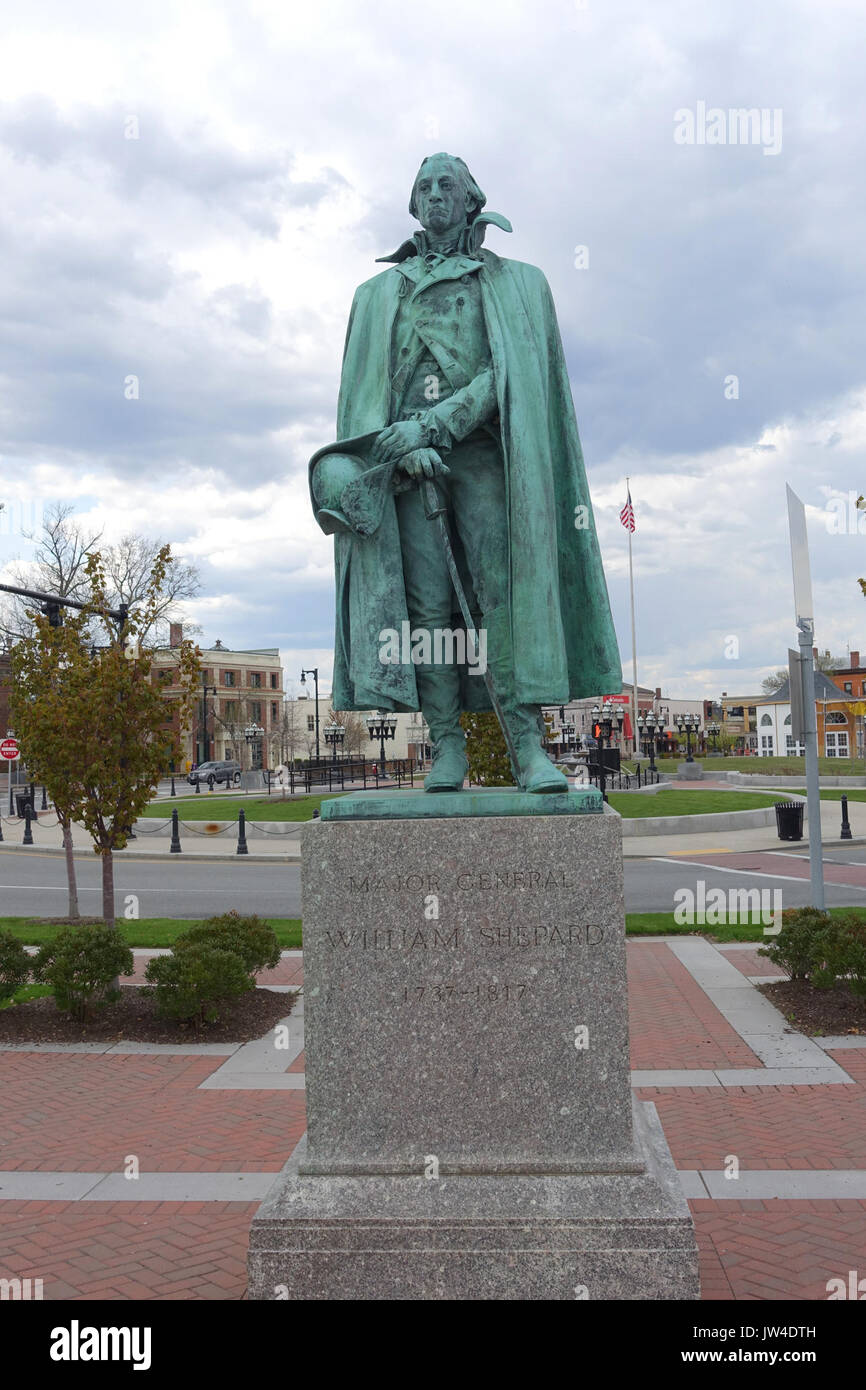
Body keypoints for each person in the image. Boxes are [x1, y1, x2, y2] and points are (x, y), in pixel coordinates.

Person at [309, 154, 620, 793]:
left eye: (445, 184)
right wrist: (401, 450)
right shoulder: (376, 295)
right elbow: (365, 401)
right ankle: (447, 747)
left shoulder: (514, 284)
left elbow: (509, 375)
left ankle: (526, 749)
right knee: (427, 613)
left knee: (500, 601)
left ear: (471, 197)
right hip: (404, 468)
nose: (433, 196)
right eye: (422, 187)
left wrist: (437, 425)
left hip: (482, 459)